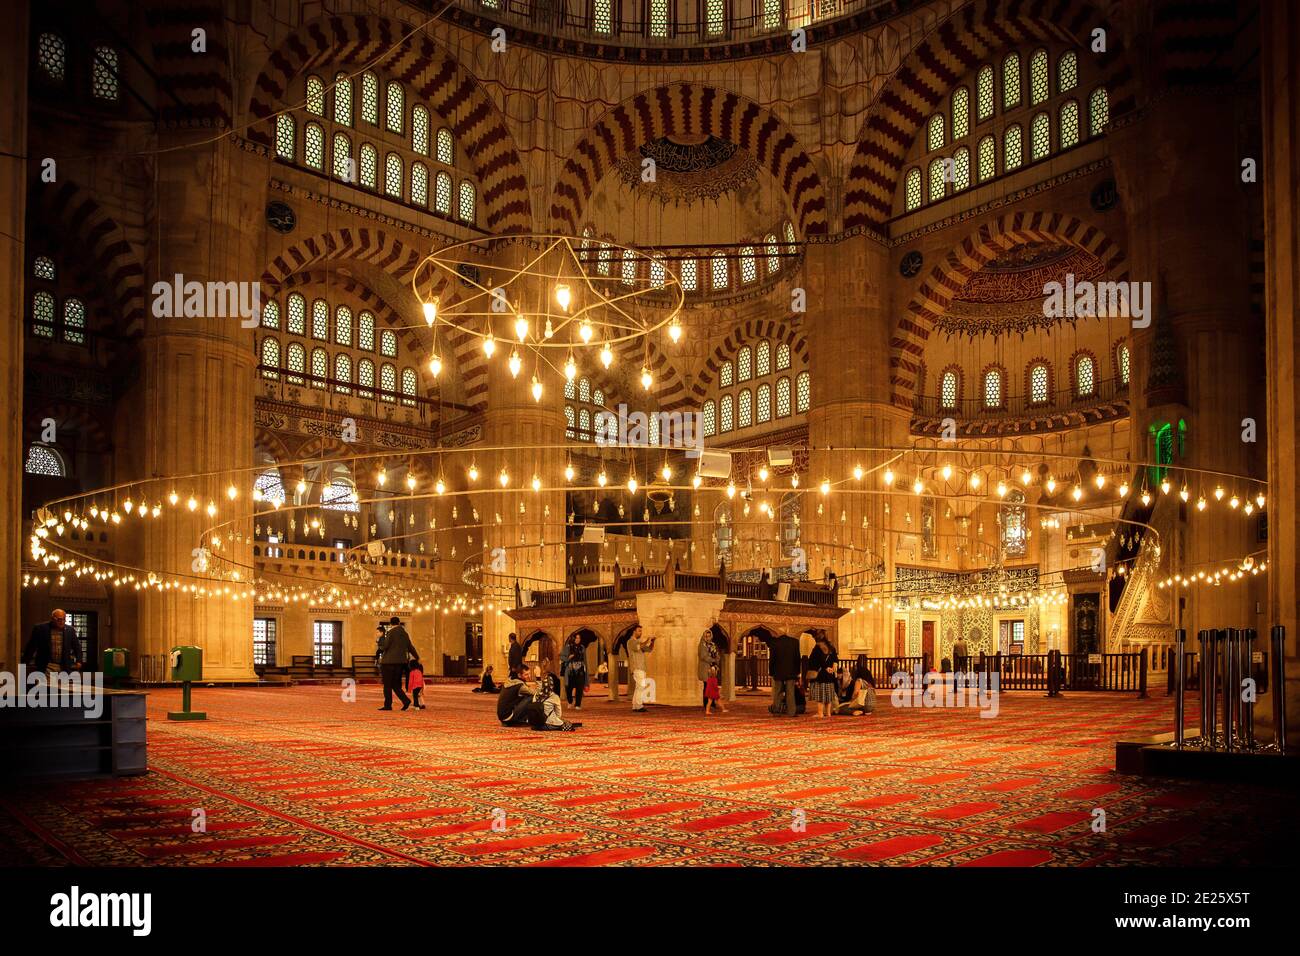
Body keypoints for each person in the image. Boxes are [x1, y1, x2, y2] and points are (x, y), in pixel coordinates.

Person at [23, 609, 83, 674]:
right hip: (46, 666)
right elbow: (31, 646)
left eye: (64, 619)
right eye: (59, 619)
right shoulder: (40, 629)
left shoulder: (70, 630)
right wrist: (25, 662)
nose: (62, 622)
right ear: (52, 619)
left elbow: (77, 647)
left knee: (62, 684)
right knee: (47, 684)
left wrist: (79, 660)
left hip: (63, 666)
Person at [376, 615, 418, 711]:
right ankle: (406, 700)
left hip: (388, 663)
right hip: (400, 663)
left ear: (391, 624)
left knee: (387, 685)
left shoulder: (391, 632)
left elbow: (385, 646)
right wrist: (417, 657)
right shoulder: (405, 633)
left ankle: (388, 705)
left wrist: (379, 643)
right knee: (395, 685)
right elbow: (410, 647)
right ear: (399, 623)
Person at [805, 632, 839, 718]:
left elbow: (813, 661)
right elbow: (835, 661)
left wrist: (824, 668)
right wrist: (832, 669)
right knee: (828, 695)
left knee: (821, 696)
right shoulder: (832, 648)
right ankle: (828, 713)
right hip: (830, 675)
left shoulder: (817, 648)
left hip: (820, 675)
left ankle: (820, 713)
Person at [624, 625, 657, 713]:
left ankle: (635, 705)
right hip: (637, 667)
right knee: (641, 686)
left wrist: (653, 642)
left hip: (642, 668)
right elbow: (639, 646)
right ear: (634, 632)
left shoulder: (639, 642)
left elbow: (649, 649)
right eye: (639, 631)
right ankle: (639, 705)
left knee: (639, 687)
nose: (640, 633)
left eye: (641, 631)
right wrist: (647, 640)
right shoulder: (631, 642)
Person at [768, 632, 802, 717]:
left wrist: (771, 672)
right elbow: (797, 658)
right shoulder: (794, 642)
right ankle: (791, 712)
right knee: (790, 692)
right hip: (791, 671)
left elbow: (772, 659)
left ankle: (776, 711)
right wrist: (798, 671)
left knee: (778, 692)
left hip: (778, 671)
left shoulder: (775, 642)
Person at [561, 634, 587, 709]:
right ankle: (570, 701)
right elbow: (562, 657)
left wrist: (585, 668)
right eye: (576, 638)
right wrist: (568, 658)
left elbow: (584, 659)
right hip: (570, 671)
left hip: (580, 670)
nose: (578, 639)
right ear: (573, 639)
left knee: (580, 687)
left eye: (579, 638)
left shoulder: (582, 647)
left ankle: (578, 704)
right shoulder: (568, 647)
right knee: (569, 688)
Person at [696, 629, 719, 707]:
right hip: (705, 668)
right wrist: (713, 660)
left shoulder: (713, 644)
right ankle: (706, 703)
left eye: (709, 636)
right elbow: (703, 656)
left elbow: (717, 654)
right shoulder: (702, 645)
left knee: (712, 686)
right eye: (706, 636)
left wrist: (716, 660)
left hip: (712, 668)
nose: (708, 638)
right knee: (706, 686)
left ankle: (712, 702)